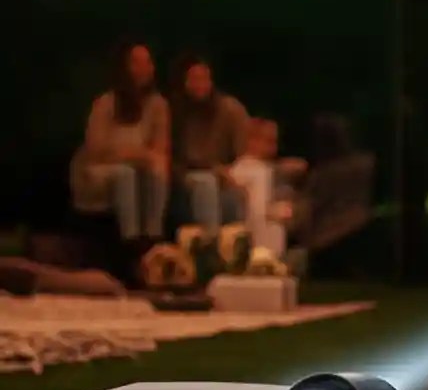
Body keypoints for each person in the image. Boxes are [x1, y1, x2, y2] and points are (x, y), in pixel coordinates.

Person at [73, 41, 171, 242]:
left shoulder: (158, 105)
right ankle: (130, 239)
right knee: (126, 173)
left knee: (157, 169)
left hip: (141, 169)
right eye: (137, 63)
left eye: (147, 62)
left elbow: (160, 148)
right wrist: (138, 155)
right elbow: (97, 149)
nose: (143, 68)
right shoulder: (105, 103)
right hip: (100, 169)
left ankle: (153, 236)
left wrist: (147, 158)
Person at [170, 54, 251, 235]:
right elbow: (174, 159)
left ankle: (236, 245)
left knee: (235, 195)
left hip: (224, 175)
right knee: (205, 183)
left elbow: (243, 153)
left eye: (204, 79)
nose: (200, 85)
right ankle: (211, 243)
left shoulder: (229, 109)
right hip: (186, 177)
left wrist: (230, 173)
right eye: (194, 79)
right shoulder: (174, 112)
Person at [229, 118, 307, 257]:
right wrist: (275, 211)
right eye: (269, 141)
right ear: (252, 141)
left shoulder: (263, 170)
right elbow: (258, 213)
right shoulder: (249, 171)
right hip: (258, 247)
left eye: (275, 142)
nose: (274, 148)